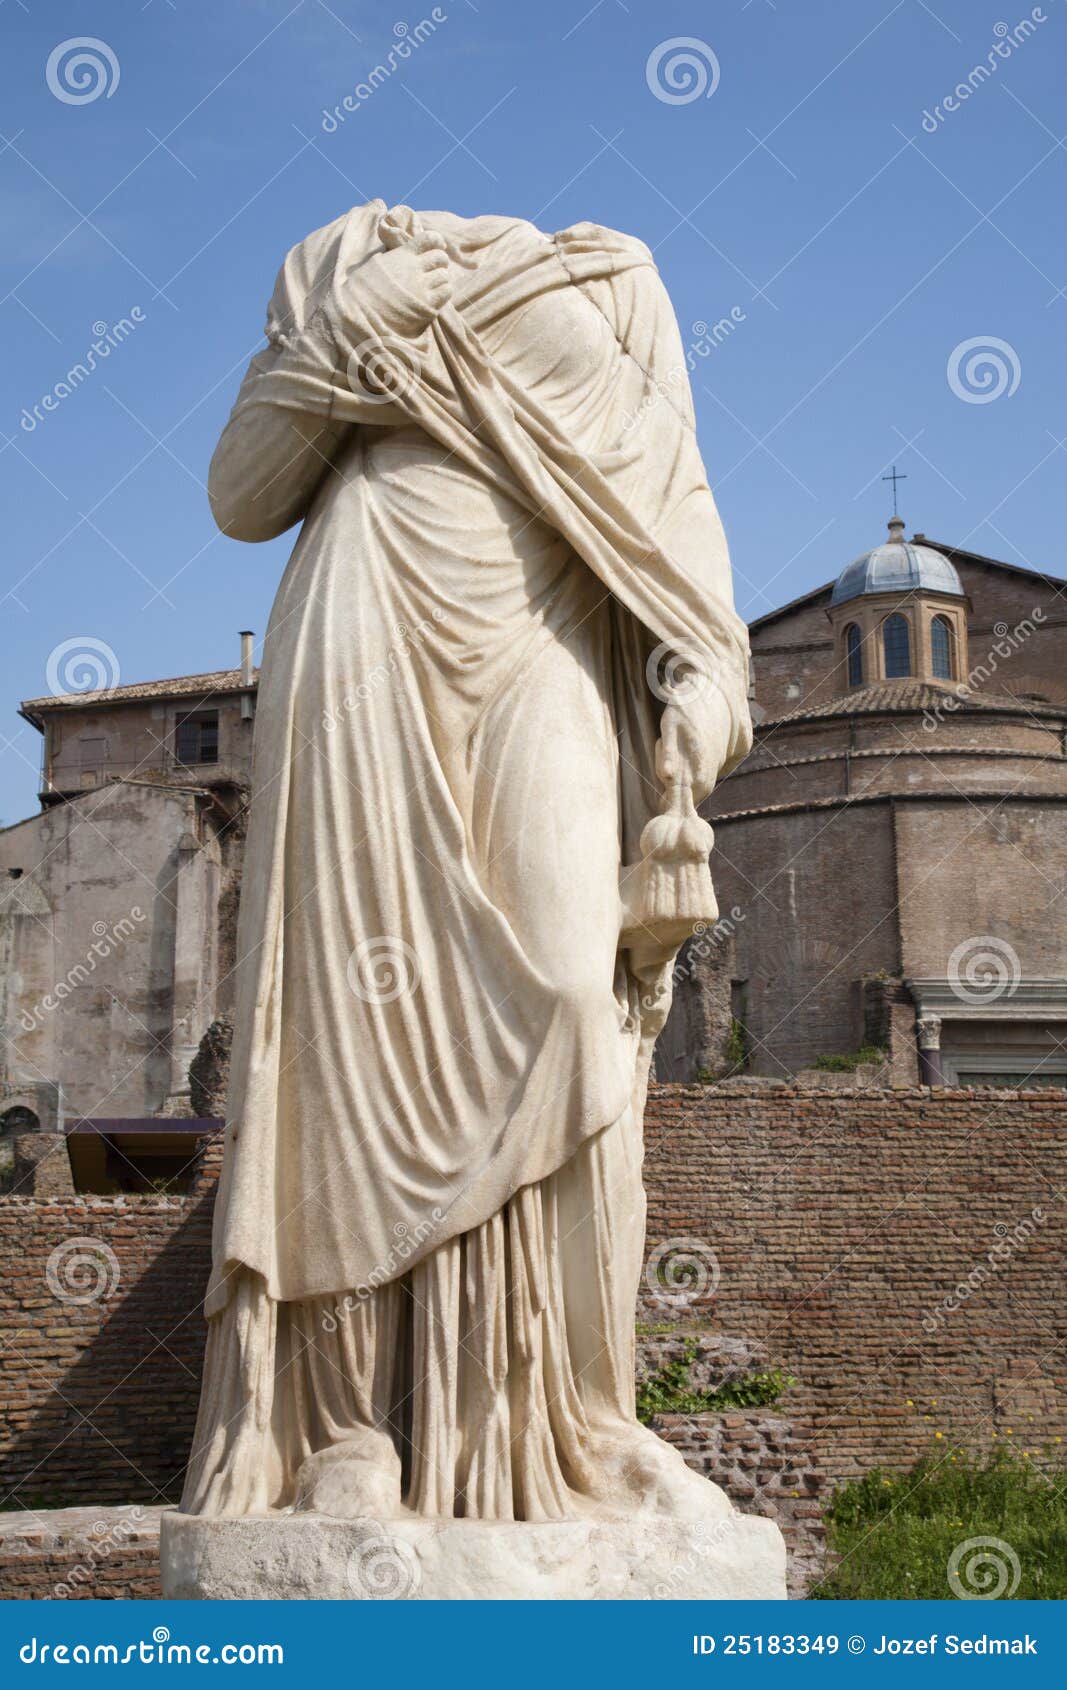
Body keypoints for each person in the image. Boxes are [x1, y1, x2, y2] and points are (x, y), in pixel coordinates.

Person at [182, 200, 751, 1521]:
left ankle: (573, 1417)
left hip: (542, 640)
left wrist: (692, 722)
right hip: (364, 629)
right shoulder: (337, 263)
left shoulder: (614, 290)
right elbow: (239, 491)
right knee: (343, 1037)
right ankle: (342, 1427)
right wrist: (353, 340)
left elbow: (687, 564)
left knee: (569, 993)